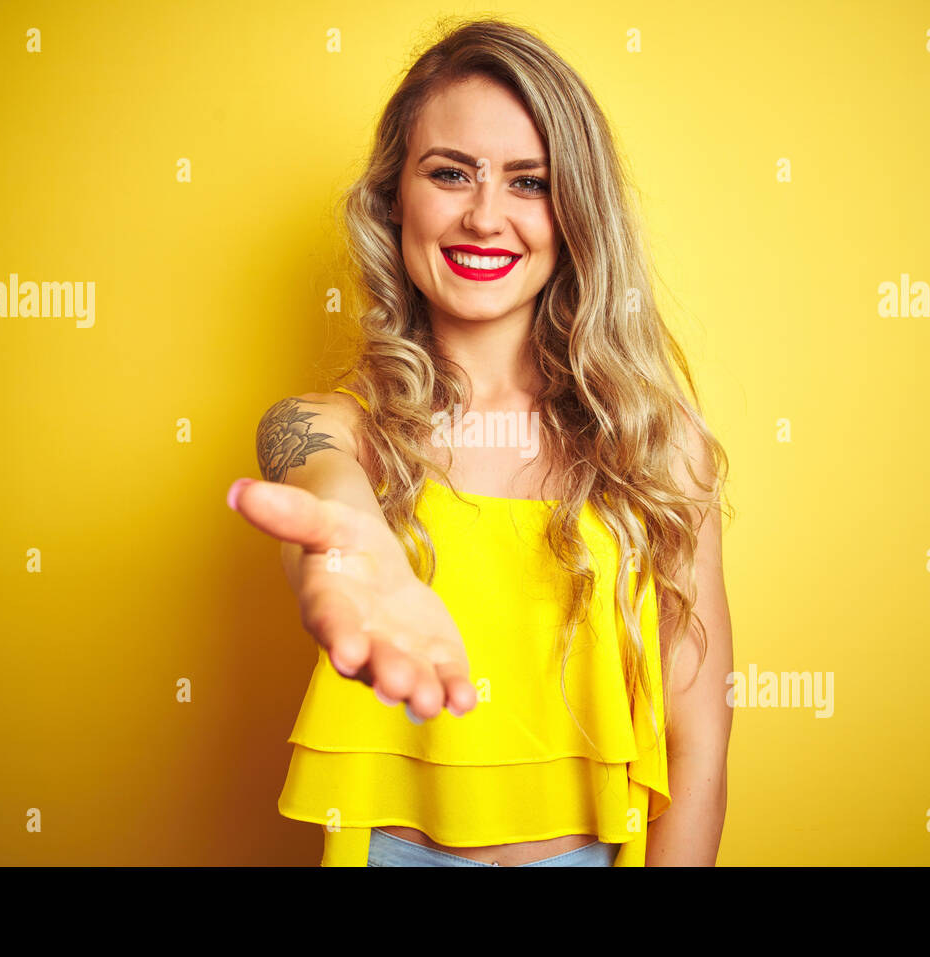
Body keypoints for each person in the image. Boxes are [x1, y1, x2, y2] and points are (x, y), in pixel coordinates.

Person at [227, 16, 733, 867]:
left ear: (574, 211)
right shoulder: (339, 428)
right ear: (395, 197)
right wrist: (354, 546)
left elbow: (700, 746)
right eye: (450, 173)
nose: (485, 216)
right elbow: (308, 462)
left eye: (529, 182)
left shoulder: (657, 444)